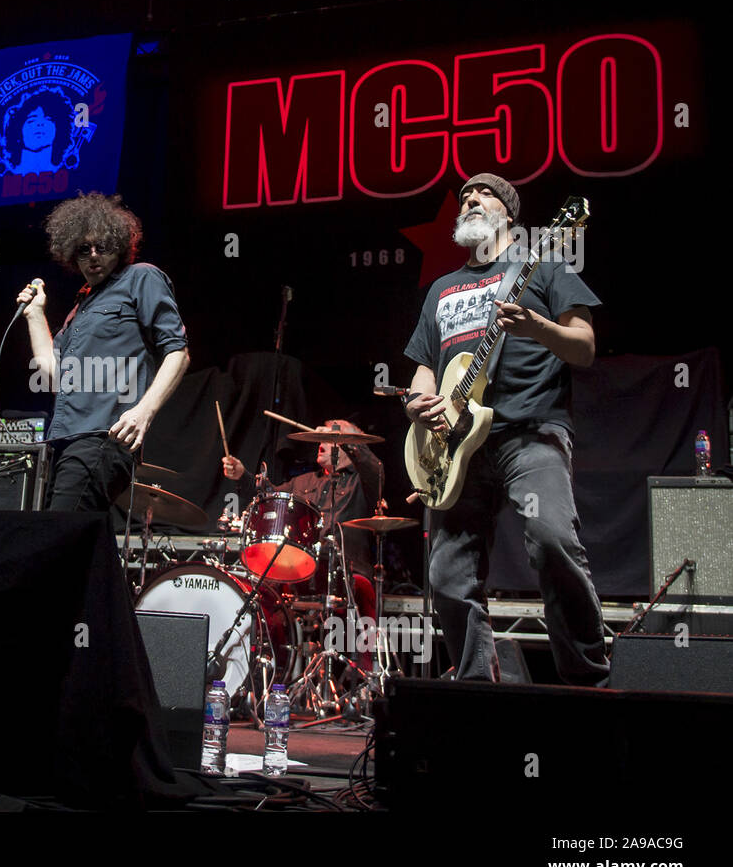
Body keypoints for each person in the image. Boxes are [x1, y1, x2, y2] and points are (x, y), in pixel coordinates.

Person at [402, 172, 608, 686]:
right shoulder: (440, 291)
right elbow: (424, 365)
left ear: (509, 214)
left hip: (530, 429)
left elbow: (584, 347)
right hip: (458, 446)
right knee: (447, 573)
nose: (470, 198)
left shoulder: (544, 265)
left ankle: (587, 682)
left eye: (485, 193)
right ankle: (476, 686)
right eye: (466, 195)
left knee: (552, 538)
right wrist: (414, 402)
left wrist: (536, 326)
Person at [17, 192, 190, 512]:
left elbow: (178, 353)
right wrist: (35, 314)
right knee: (77, 541)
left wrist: (145, 411)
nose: (94, 255)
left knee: (59, 537)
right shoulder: (79, 308)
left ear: (120, 246)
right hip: (65, 444)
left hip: (103, 438)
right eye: (84, 249)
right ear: (72, 254)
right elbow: (51, 372)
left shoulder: (141, 277)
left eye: (103, 247)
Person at [222, 419, 385, 584]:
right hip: (300, 569)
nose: (323, 441)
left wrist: (342, 438)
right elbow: (269, 497)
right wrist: (242, 476)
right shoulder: (302, 482)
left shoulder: (362, 481)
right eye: (323, 438)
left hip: (347, 573)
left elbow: (374, 467)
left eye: (330, 439)